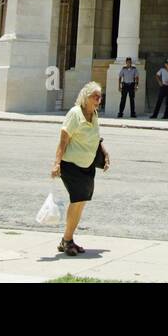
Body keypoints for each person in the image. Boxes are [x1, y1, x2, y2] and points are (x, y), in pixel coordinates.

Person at [51, 81, 109, 256]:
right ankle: (67, 240)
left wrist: (105, 154)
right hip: (71, 166)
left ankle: (67, 239)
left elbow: (95, 138)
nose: (98, 100)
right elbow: (63, 139)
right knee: (77, 201)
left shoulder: (94, 114)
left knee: (81, 202)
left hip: (88, 165)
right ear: (86, 97)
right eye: (95, 96)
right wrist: (56, 163)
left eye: (100, 97)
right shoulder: (75, 114)